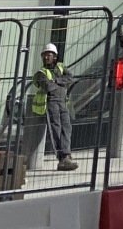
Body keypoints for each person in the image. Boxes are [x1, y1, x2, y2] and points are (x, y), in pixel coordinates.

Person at [25, 44, 78, 173]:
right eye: (45, 55)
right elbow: (48, 87)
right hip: (51, 102)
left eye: (49, 55)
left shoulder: (61, 67)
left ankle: (66, 154)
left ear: (55, 57)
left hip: (62, 103)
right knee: (56, 129)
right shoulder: (41, 73)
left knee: (67, 128)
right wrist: (60, 82)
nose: (47, 57)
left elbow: (70, 78)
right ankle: (62, 158)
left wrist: (55, 81)